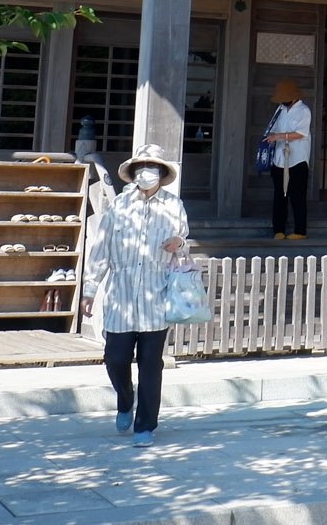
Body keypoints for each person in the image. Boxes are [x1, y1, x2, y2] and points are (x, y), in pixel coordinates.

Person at [82, 143, 189, 447]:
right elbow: (101, 248)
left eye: (152, 167)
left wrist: (178, 243)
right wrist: (90, 289)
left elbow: (185, 240)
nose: (147, 172)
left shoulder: (173, 205)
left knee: (151, 364)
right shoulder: (118, 206)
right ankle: (125, 399)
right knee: (115, 358)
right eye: (142, 167)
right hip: (121, 295)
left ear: (161, 172)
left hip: (156, 295)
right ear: (133, 172)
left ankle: (145, 425)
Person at [263, 79, 311, 240]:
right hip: (279, 159)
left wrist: (279, 136)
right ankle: (278, 229)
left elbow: (300, 134)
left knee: (297, 196)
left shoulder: (304, 111)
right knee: (279, 196)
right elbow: (273, 129)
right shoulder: (280, 110)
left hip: (297, 159)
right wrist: (272, 137)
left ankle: (300, 230)